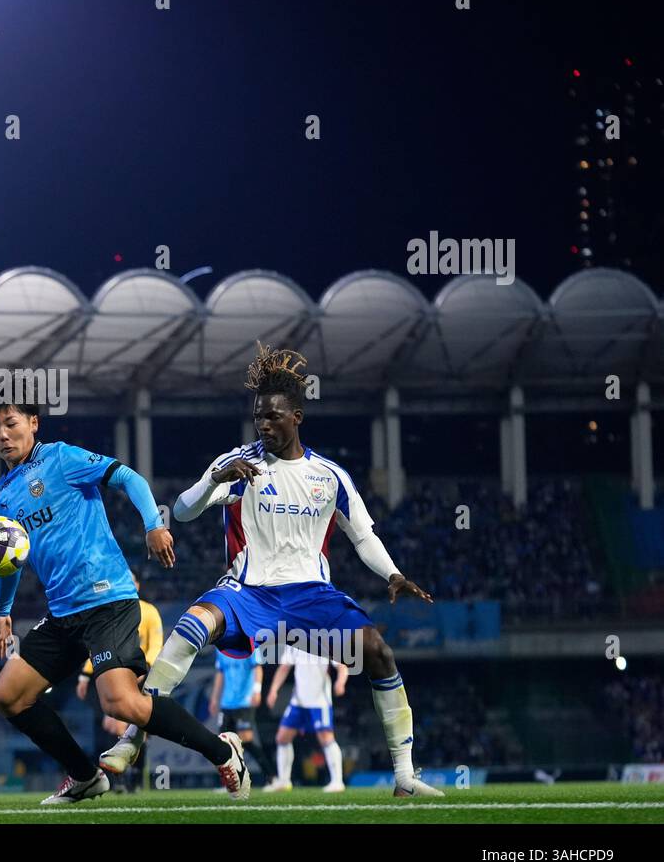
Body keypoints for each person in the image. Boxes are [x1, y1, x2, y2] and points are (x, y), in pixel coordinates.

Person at [99, 342, 444, 797]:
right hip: (247, 591)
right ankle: (132, 737)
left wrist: (393, 574)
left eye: (273, 416)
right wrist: (215, 480)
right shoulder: (239, 464)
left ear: (296, 416)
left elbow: (362, 536)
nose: (264, 424)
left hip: (311, 595)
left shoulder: (331, 476)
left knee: (377, 651)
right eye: (258, 415)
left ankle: (405, 776)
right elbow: (181, 512)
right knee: (189, 628)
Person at [0, 402, 249, 804]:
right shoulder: (2, 496)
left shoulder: (62, 457)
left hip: (108, 600)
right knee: (8, 696)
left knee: (119, 702)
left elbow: (127, 476)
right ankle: (84, 776)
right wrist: (2, 612)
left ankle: (224, 751)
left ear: (33, 423)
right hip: (63, 614)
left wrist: (154, 524)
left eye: (10, 423)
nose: (2, 434)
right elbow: (11, 559)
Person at [76, 568, 163, 792]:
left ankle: (132, 781)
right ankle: (118, 781)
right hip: (114, 675)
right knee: (112, 726)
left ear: (137, 586)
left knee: (136, 728)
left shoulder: (149, 612)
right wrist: (85, 676)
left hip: (141, 677)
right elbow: (99, 647)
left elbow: (156, 645)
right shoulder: (111, 613)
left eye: (132, 580)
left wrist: (144, 671)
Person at [262, 642, 348, 792]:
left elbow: (342, 666)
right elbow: (284, 667)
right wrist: (274, 690)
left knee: (326, 739)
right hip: (299, 701)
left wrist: (340, 682)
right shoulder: (295, 642)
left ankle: (337, 781)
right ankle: (284, 781)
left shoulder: (325, 640)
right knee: (282, 737)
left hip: (319, 701)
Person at [209, 646, 267, 786]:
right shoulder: (220, 647)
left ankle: (271, 776)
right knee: (224, 743)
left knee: (246, 740)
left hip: (244, 701)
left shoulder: (249, 644)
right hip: (226, 703)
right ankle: (231, 783)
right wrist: (215, 698)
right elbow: (220, 673)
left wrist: (257, 690)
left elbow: (257, 668)